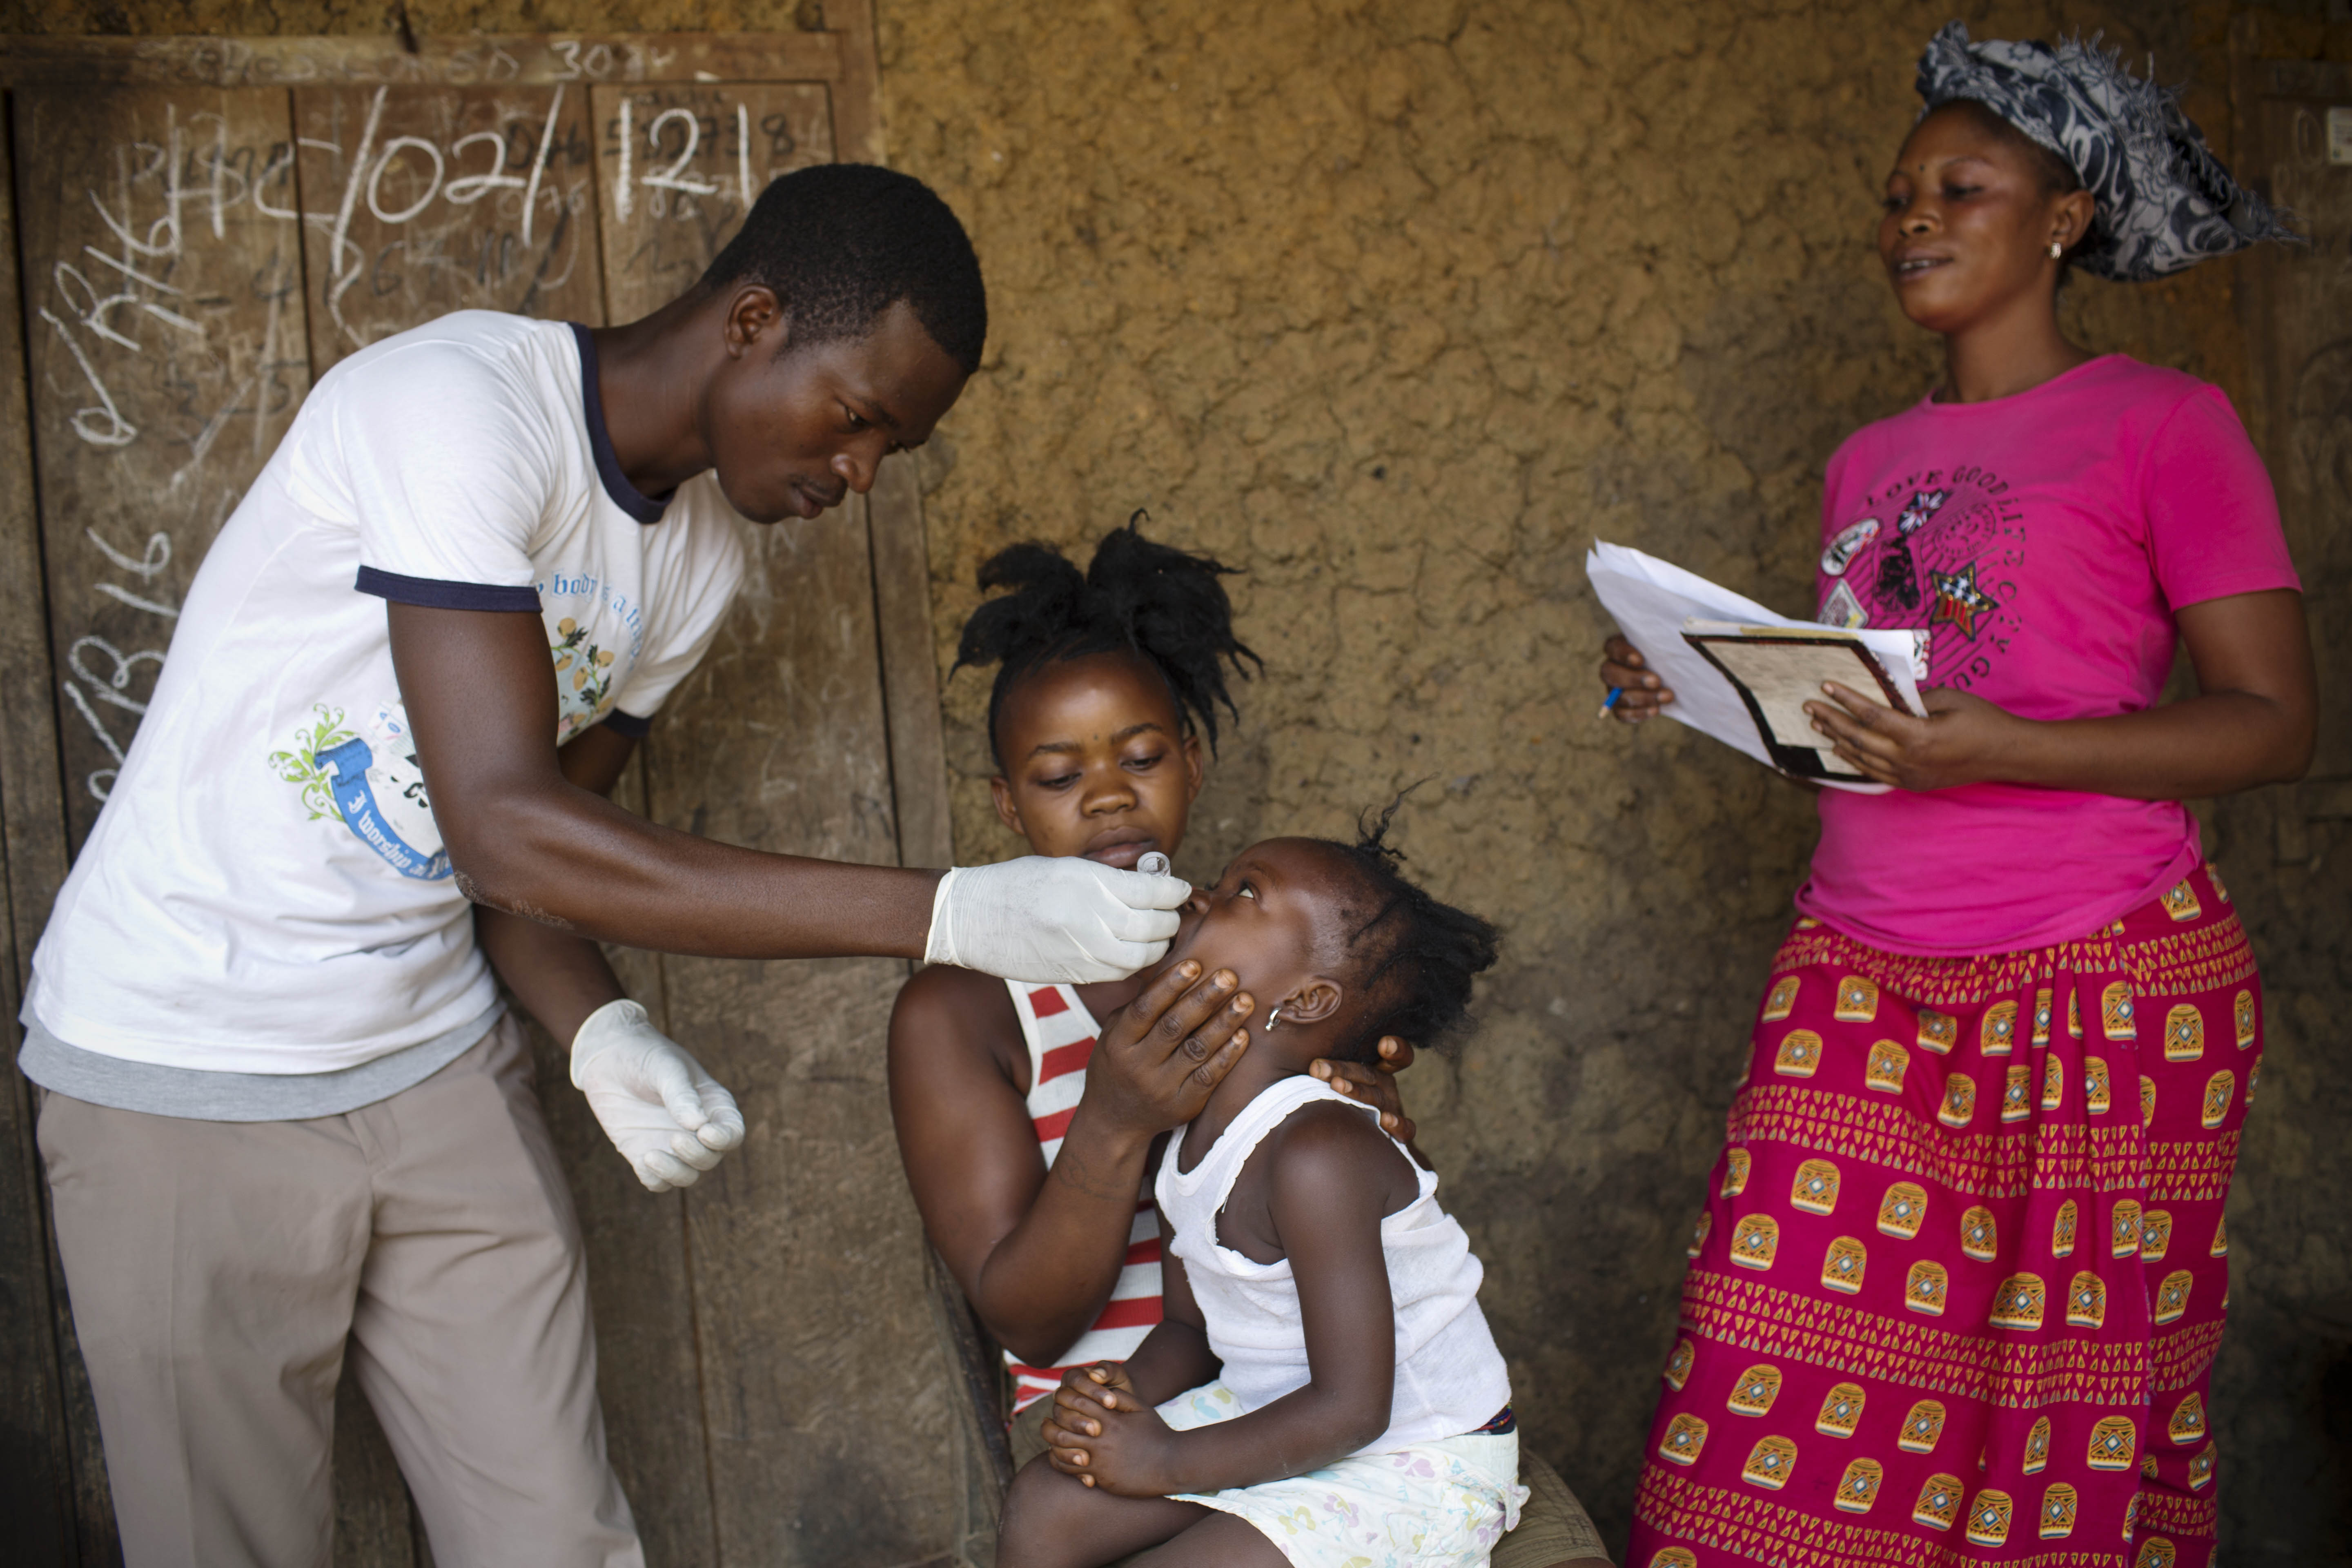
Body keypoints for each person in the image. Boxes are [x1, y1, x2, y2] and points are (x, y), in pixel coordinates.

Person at [22, 164, 1193, 1568]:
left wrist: (599, 1027)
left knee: (555, 1537)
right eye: (860, 419)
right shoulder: (453, 409)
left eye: (893, 450)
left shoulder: (693, 564)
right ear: (753, 318)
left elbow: (539, 881)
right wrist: (945, 914)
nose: (859, 474)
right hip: (187, 1058)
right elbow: (502, 823)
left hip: (430, 1055)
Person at [1603, 26, 2312, 1568]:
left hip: (2107, 975)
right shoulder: (1867, 461)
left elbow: (2273, 728)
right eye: (1898, 193)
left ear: (2064, 219)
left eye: (1961, 188)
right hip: (1857, 969)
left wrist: (2008, 751)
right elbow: (1877, 730)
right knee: (1766, 1380)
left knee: (2059, 1420)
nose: (1912, 218)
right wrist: (1710, 689)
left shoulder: (2165, 424)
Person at [889, 522, 1608, 1567]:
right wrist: (1119, 1118)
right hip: (1135, 1375)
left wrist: (1368, 1107)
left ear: (1191, 759)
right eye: (1056, 775)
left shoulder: (1259, 969)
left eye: (1141, 757)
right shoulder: (965, 1010)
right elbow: (1031, 1326)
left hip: (1321, 1384)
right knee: (1051, 1518)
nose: (1106, 794)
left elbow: (1351, 1209)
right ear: (1006, 803)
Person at [995, 820, 1529, 1568]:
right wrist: (1117, 1403)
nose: (1202, 897)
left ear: (1305, 1001)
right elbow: (1190, 1330)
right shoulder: (1182, 1133)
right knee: (1045, 1509)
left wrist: (1162, 1464)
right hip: (1270, 1413)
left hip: (1414, 1460)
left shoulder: (1320, 1153)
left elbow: (1354, 1409)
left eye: (1245, 892)